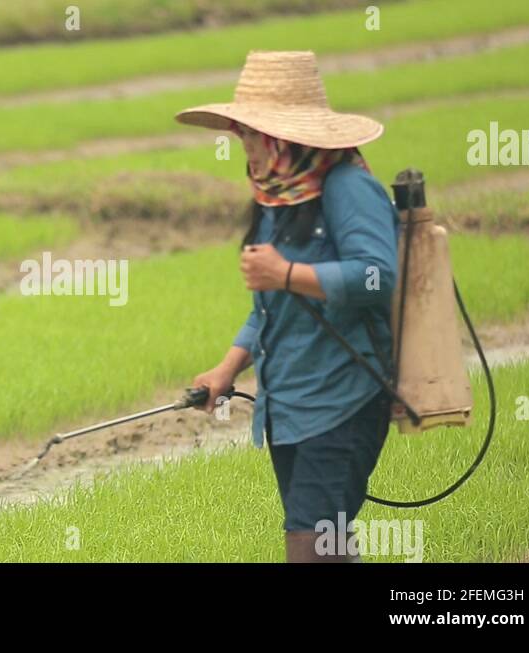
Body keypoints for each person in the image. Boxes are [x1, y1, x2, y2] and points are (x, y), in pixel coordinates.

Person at [175, 51, 400, 563]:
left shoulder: (347, 188)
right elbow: (269, 311)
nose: (244, 146)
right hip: (289, 408)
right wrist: (226, 369)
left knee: (311, 550)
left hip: (344, 399)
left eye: (250, 134)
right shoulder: (276, 198)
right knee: (325, 548)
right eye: (240, 134)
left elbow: (379, 275)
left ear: (284, 136)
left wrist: (288, 273)